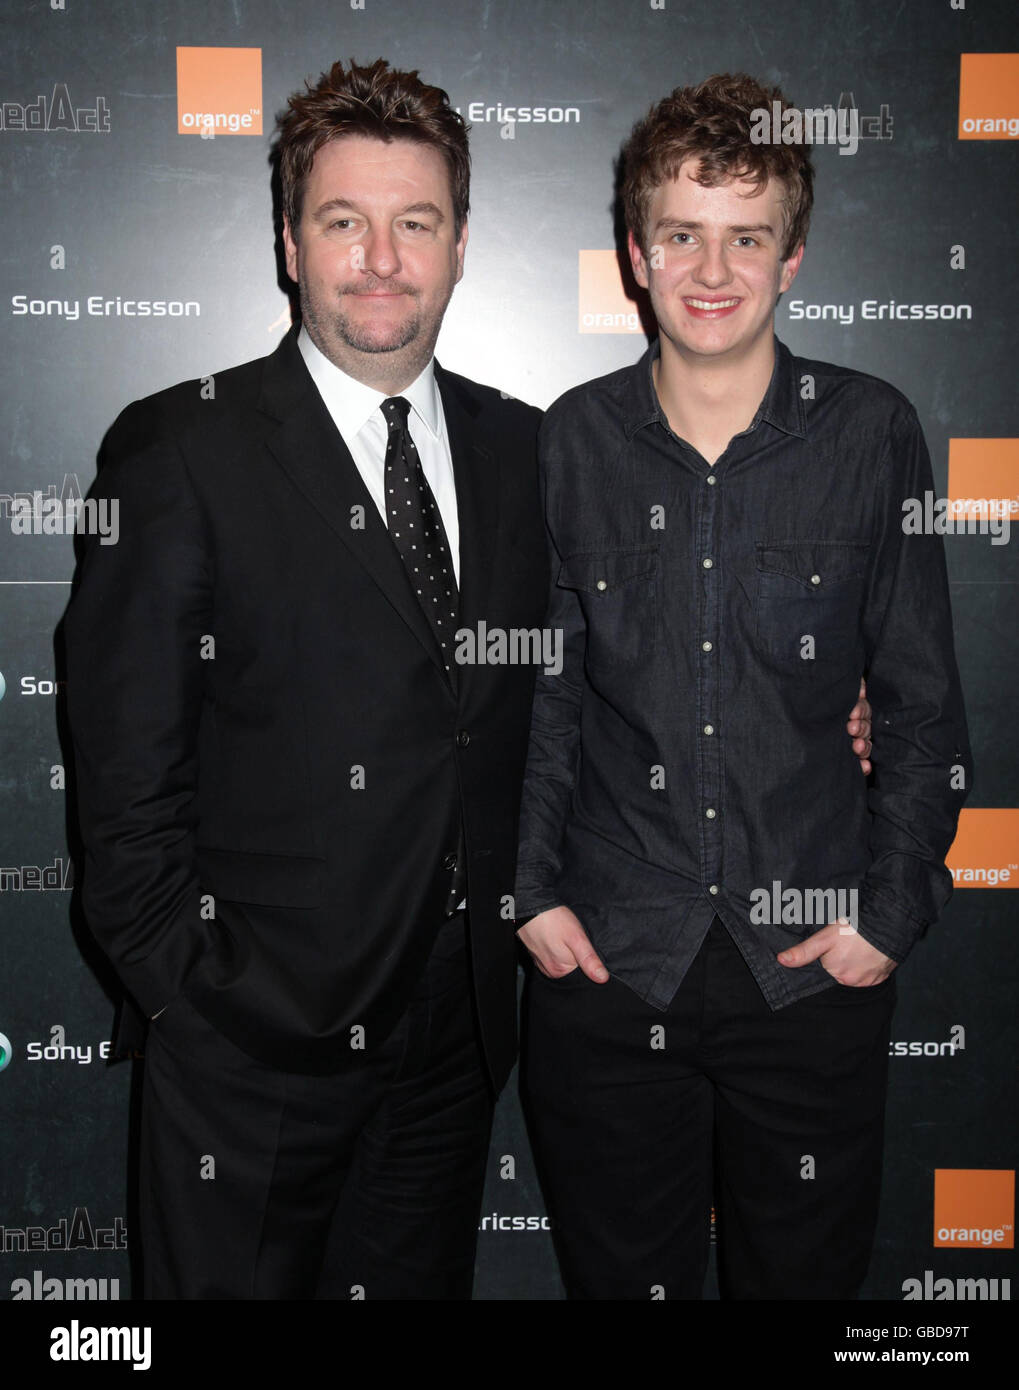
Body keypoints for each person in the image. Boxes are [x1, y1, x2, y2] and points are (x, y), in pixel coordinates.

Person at [63, 57, 550, 1300]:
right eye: (343, 221)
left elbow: (592, 678)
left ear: (456, 246)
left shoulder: (525, 448)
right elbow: (125, 770)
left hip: (455, 1039)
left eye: (414, 223)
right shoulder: (180, 446)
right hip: (249, 1048)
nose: (380, 258)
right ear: (289, 243)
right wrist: (199, 995)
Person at [514, 72, 970, 1300]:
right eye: (680, 233)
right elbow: (544, 694)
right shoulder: (570, 441)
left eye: (745, 236)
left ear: (791, 257)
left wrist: (887, 915)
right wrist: (528, 892)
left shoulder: (870, 432)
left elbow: (922, 702)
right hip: (609, 970)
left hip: (809, 974)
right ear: (633, 251)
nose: (710, 269)